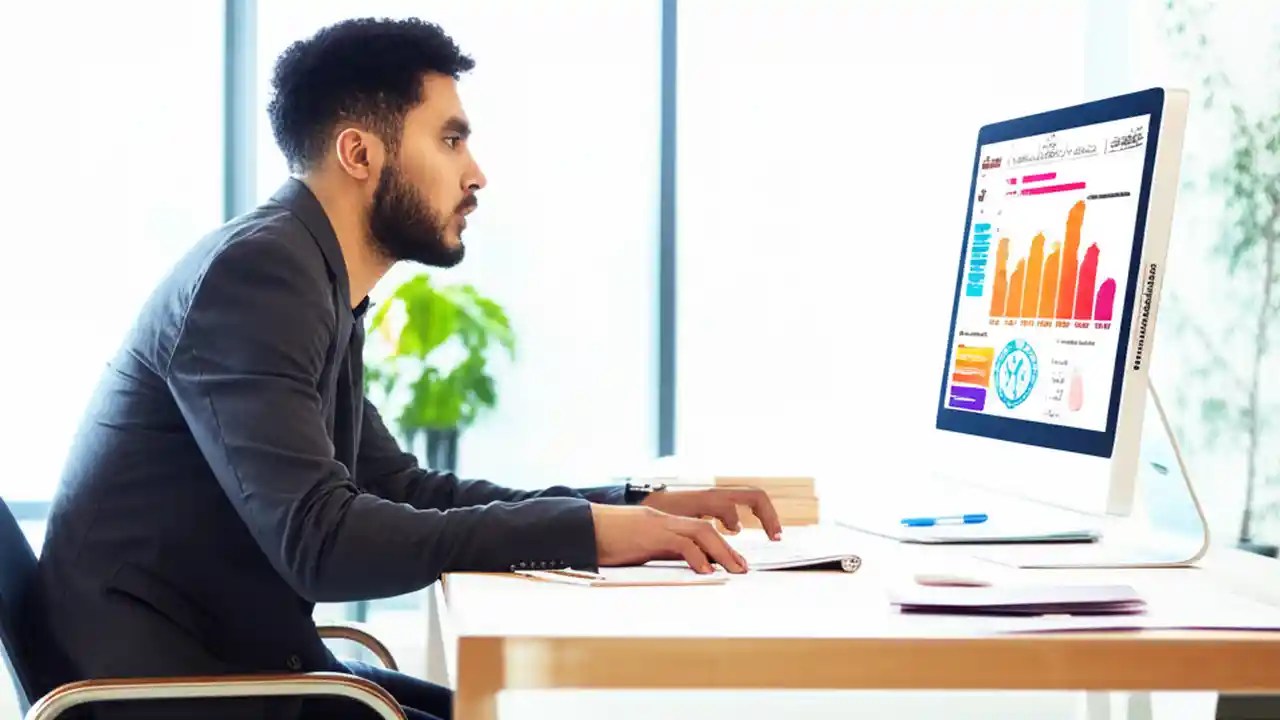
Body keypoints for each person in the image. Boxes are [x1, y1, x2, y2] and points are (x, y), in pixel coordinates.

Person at [28, 17, 781, 720]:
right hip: (164, 693)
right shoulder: (259, 276)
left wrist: (629, 507)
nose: (477, 174)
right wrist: (587, 532)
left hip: (235, 668)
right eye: (451, 141)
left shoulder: (313, 278)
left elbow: (403, 489)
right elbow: (323, 545)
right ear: (360, 153)